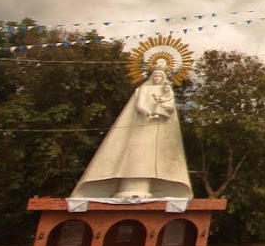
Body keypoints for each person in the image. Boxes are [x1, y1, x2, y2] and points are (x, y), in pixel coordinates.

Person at [72, 65, 193, 200]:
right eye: (155, 76)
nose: (158, 78)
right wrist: (144, 110)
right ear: (151, 77)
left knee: (152, 157)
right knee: (133, 153)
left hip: (156, 128)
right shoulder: (143, 89)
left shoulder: (167, 90)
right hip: (139, 125)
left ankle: (148, 187)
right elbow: (140, 103)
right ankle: (125, 187)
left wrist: (162, 109)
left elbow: (169, 106)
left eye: (160, 76)